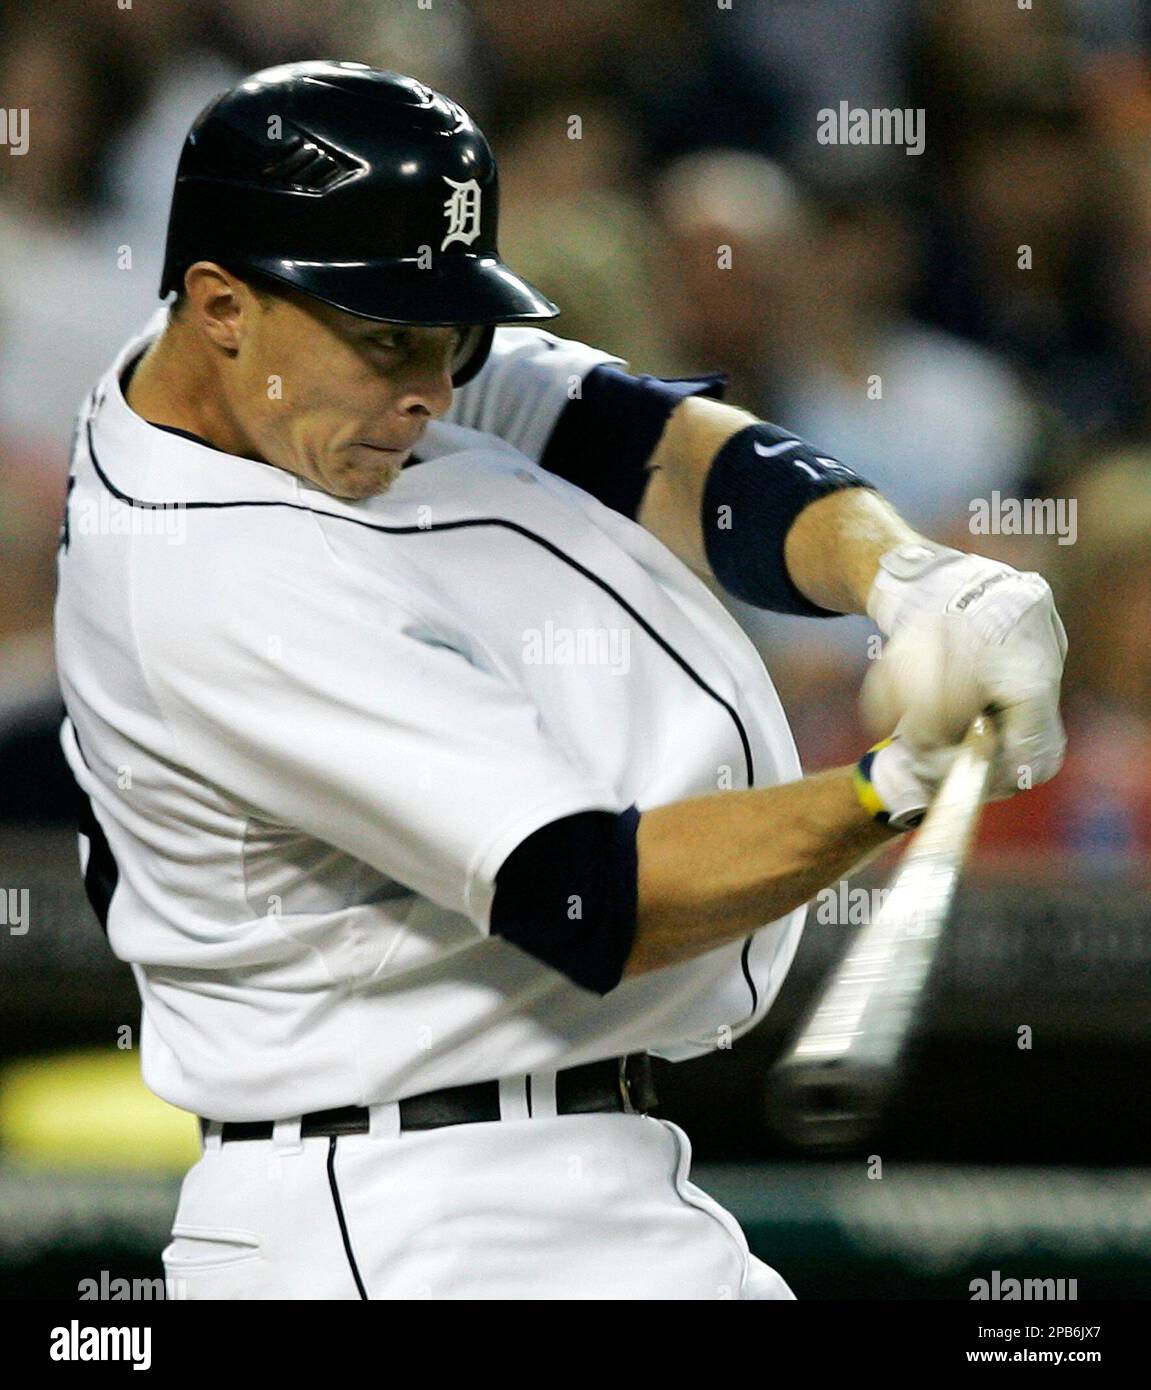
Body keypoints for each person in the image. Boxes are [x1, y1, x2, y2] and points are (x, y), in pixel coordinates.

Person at [54, 62, 1067, 1300]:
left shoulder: (267, 360)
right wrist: (888, 786)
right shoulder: (214, 580)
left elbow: (653, 443)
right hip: (411, 1214)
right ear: (217, 304)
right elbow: (588, 897)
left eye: (452, 337)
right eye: (390, 342)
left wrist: (905, 577)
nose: (431, 389)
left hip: (552, 1176)